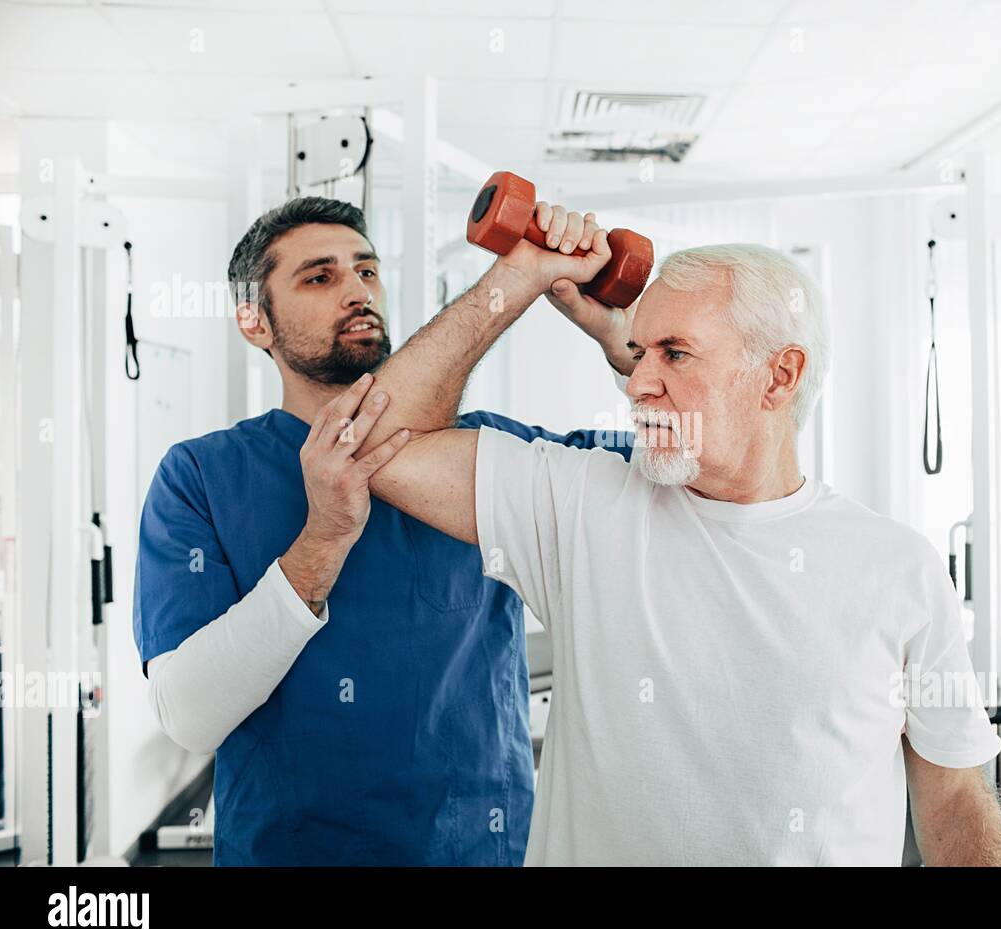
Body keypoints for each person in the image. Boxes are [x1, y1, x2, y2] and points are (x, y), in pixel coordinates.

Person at [349, 241, 1001, 865]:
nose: (637, 383)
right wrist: (518, 275)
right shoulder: (583, 503)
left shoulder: (899, 569)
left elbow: (953, 795)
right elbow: (376, 443)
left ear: (778, 377)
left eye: (674, 354)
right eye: (638, 352)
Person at [133, 196, 630, 865]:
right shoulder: (199, 475)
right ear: (254, 321)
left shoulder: (487, 455)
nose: (357, 290)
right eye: (320, 276)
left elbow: (681, 472)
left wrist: (624, 346)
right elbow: (188, 716)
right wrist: (323, 539)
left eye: (367, 271)